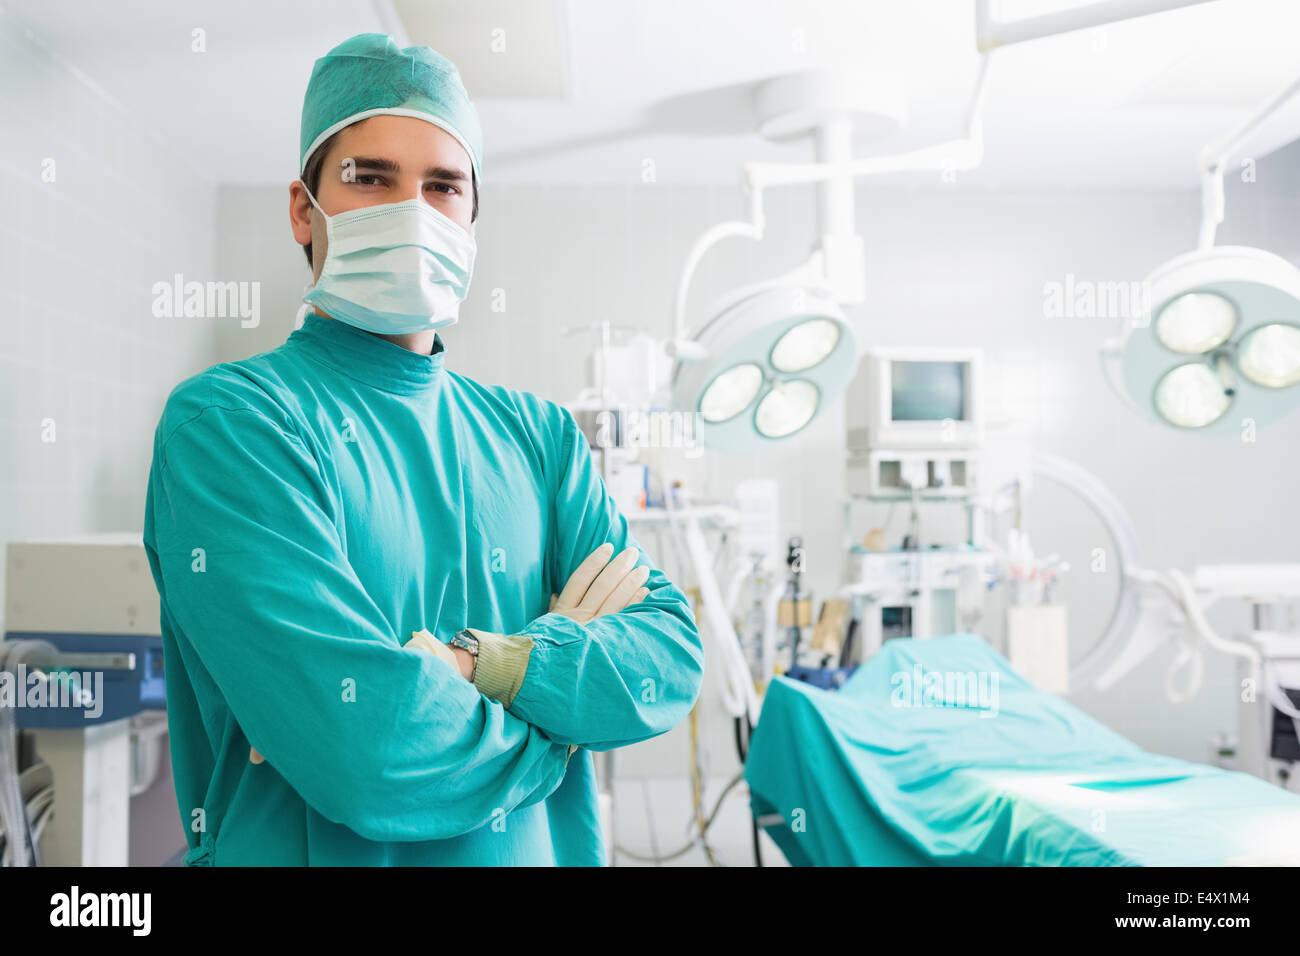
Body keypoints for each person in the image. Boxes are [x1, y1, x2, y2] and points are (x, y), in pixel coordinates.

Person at [142, 33, 704, 866]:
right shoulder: (234, 425)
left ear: (472, 219)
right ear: (305, 209)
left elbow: (668, 660)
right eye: (371, 178)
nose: (414, 210)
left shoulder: (538, 436)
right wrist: (559, 725)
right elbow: (368, 755)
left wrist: (484, 666)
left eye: (444, 186)